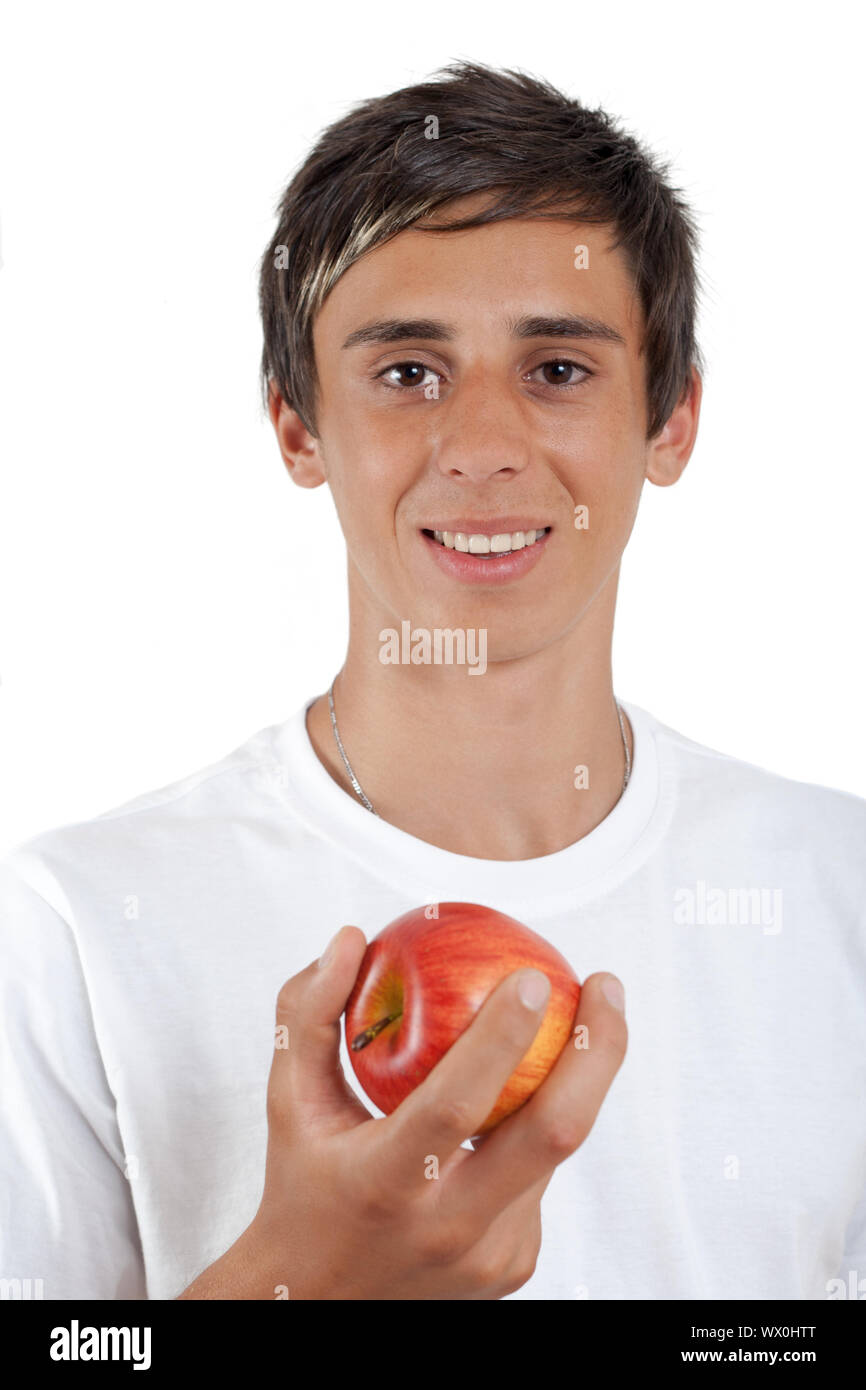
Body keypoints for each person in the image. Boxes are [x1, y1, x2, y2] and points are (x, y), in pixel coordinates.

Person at [1, 60, 864, 1302]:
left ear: (668, 418)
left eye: (557, 369)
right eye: (406, 371)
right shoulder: (74, 929)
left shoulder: (834, 894)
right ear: (298, 427)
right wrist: (288, 1284)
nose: (481, 449)